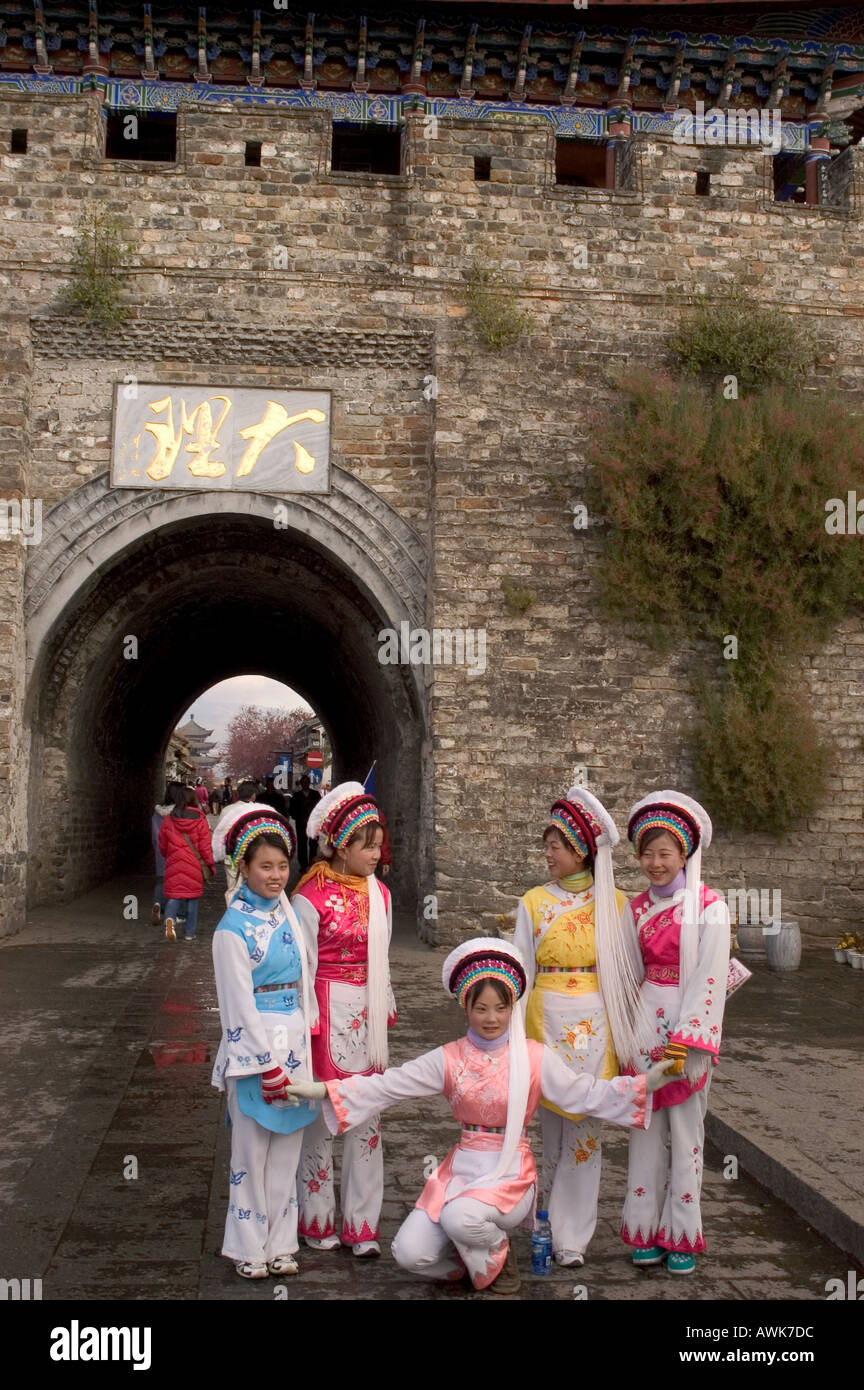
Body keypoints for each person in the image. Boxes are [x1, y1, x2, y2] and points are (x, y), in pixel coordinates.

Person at [286, 939, 676, 1294]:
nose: (492, 1018)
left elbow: (585, 1092)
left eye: (501, 1008)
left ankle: (496, 1253)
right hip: (460, 1171)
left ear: (513, 1007)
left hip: (510, 1172)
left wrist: (645, 1084)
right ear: (466, 1007)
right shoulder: (449, 1057)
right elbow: (389, 1085)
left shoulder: (533, 1056)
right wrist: (324, 1088)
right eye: (481, 1008)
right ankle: (475, 1260)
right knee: (409, 1253)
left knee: (459, 1217)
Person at [512, 786, 649, 1267]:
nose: (547, 853)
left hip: (596, 1022)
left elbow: (632, 970)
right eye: (546, 845)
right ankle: (541, 1222)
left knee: (587, 1133)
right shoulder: (532, 902)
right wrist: (513, 1038)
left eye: (556, 846)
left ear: (580, 851)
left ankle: (574, 1239)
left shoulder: (616, 903)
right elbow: (521, 972)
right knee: (550, 1129)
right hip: (544, 1019)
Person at [618, 791, 731, 1276]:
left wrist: (689, 1040)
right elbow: (626, 974)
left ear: (685, 854)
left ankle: (681, 1231)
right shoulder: (636, 908)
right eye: (648, 853)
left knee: (687, 1135)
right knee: (644, 1131)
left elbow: (709, 978)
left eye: (665, 853)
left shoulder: (709, 907)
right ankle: (643, 1227)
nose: (655, 862)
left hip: (688, 1032)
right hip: (645, 1025)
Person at [211, 809, 319, 1278]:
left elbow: (304, 981)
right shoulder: (231, 930)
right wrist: (265, 1064)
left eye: (282, 866)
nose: (277, 876)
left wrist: (302, 1048)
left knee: (287, 1151)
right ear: (243, 868)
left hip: (293, 1041)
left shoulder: (290, 914)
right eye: (265, 867)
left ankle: (281, 1242)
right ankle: (247, 1246)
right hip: (255, 1048)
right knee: (250, 1154)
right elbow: (236, 1005)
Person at [291, 781, 396, 1257]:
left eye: (378, 846)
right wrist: (307, 1025)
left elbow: (385, 957)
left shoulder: (381, 895)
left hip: (366, 1013)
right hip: (325, 1009)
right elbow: (303, 968)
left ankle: (362, 1224)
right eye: (366, 846)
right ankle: (316, 1219)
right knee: (318, 1118)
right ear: (341, 844)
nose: (375, 855)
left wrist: (383, 1006)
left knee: (366, 1118)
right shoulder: (309, 896)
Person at [158, 784, 215, 943]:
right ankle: (189, 933)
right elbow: (205, 847)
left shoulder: (169, 819)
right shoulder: (200, 820)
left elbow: (162, 843)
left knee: (175, 896)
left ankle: (170, 920)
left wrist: (167, 855)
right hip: (194, 865)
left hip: (174, 863)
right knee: (192, 899)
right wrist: (210, 864)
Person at [212, 781, 267, 903]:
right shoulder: (257, 810)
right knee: (253, 886)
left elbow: (220, 833)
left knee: (233, 888)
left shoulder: (227, 810)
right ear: (253, 794)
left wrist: (219, 853)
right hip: (252, 854)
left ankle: (232, 913)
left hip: (231, 855)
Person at [150, 785, 175, 927]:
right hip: (175, 850)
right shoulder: (177, 813)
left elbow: (154, 836)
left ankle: (158, 903)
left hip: (160, 850)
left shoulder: (156, 813)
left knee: (161, 879)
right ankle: (169, 909)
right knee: (174, 880)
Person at [289, 775, 320, 871]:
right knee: (302, 844)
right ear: (301, 784)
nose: (305, 784)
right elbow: (292, 810)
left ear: (309, 783)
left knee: (313, 844)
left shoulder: (315, 794)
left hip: (313, 823)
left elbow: (320, 808)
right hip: (301, 824)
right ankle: (303, 864)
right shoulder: (296, 796)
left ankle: (312, 862)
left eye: (306, 782)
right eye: (303, 782)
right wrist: (298, 817)